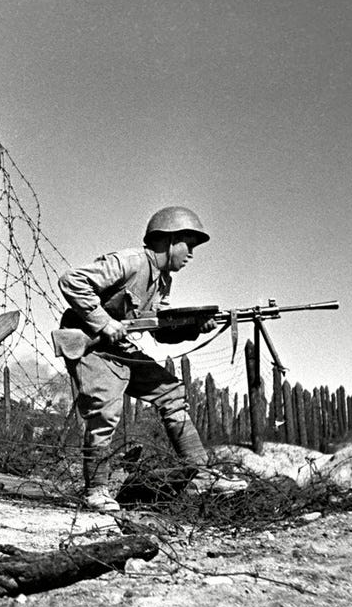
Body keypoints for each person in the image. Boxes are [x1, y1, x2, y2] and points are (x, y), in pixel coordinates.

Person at [56, 206, 245, 512]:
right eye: (189, 245)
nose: (191, 255)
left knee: (171, 392)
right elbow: (71, 281)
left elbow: (159, 331)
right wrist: (103, 322)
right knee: (105, 411)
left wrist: (194, 329)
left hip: (119, 347)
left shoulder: (163, 281)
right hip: (91, 345)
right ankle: (96, 490)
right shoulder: (130, 262)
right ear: (168, 240)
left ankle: (202, 474)